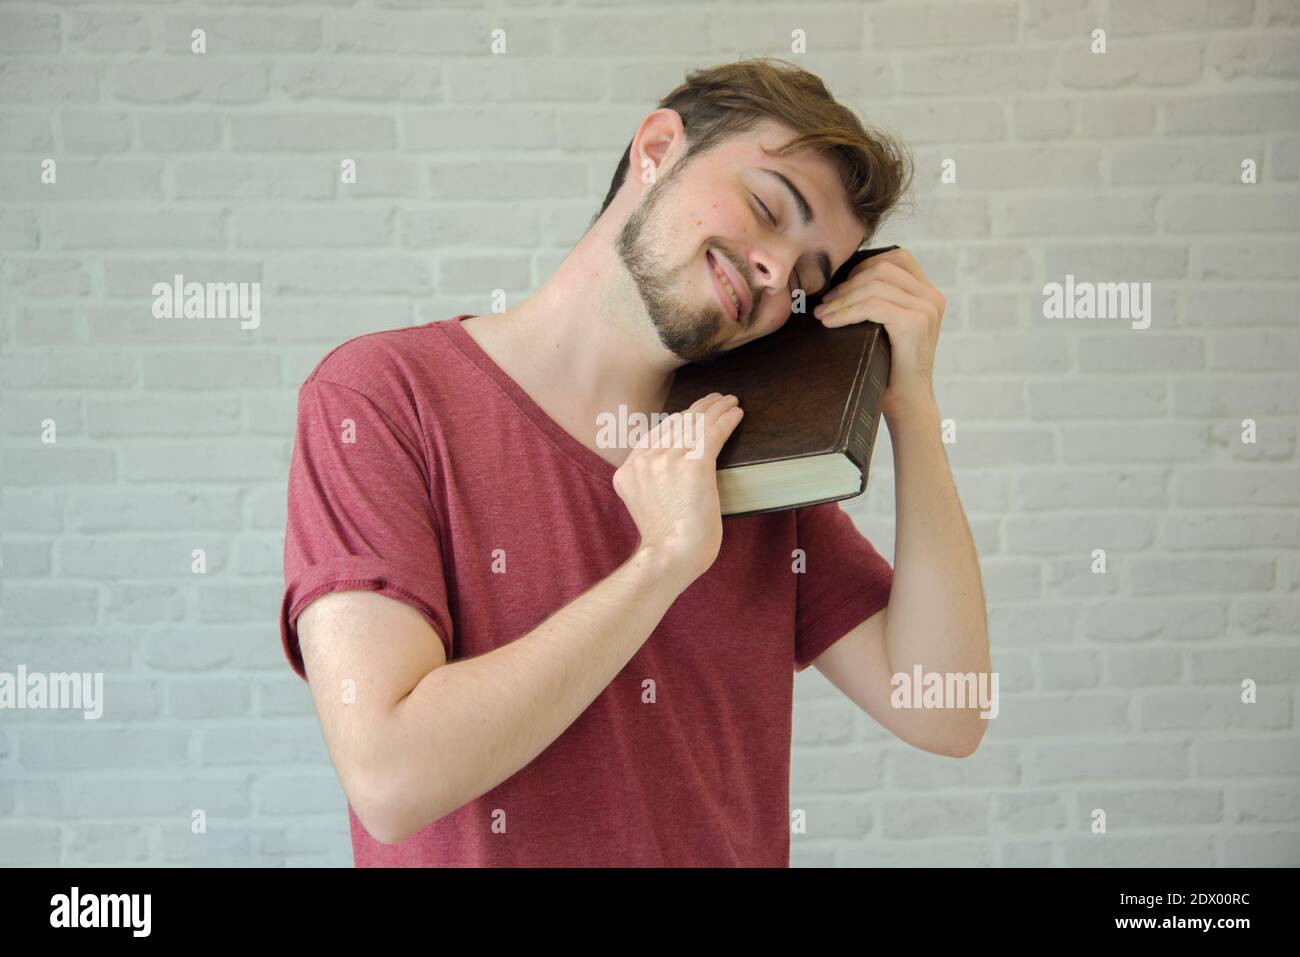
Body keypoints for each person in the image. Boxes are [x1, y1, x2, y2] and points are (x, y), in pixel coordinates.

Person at [279, 57, 989, 867]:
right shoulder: (383, 398)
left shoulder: (750, 458)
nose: (774, 273)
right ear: (656, 146)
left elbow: (947, 711)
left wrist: (913, 409)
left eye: (807, 276)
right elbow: (390, 776)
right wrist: (660, 564)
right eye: (767, 207)